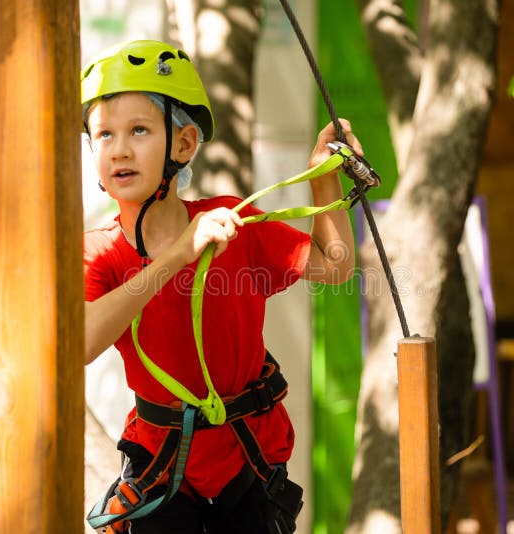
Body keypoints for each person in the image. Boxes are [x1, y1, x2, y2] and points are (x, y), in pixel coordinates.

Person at [82, 40, 359, 533]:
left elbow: (333, 266)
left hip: (247, 458)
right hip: (161, 466)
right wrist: (178, 254)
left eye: (139, 130)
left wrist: (325, 183)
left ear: (184, 144)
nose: (119, 148)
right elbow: (79, 342)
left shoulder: (232, 221)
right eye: (103, 134)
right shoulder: (99, 252)